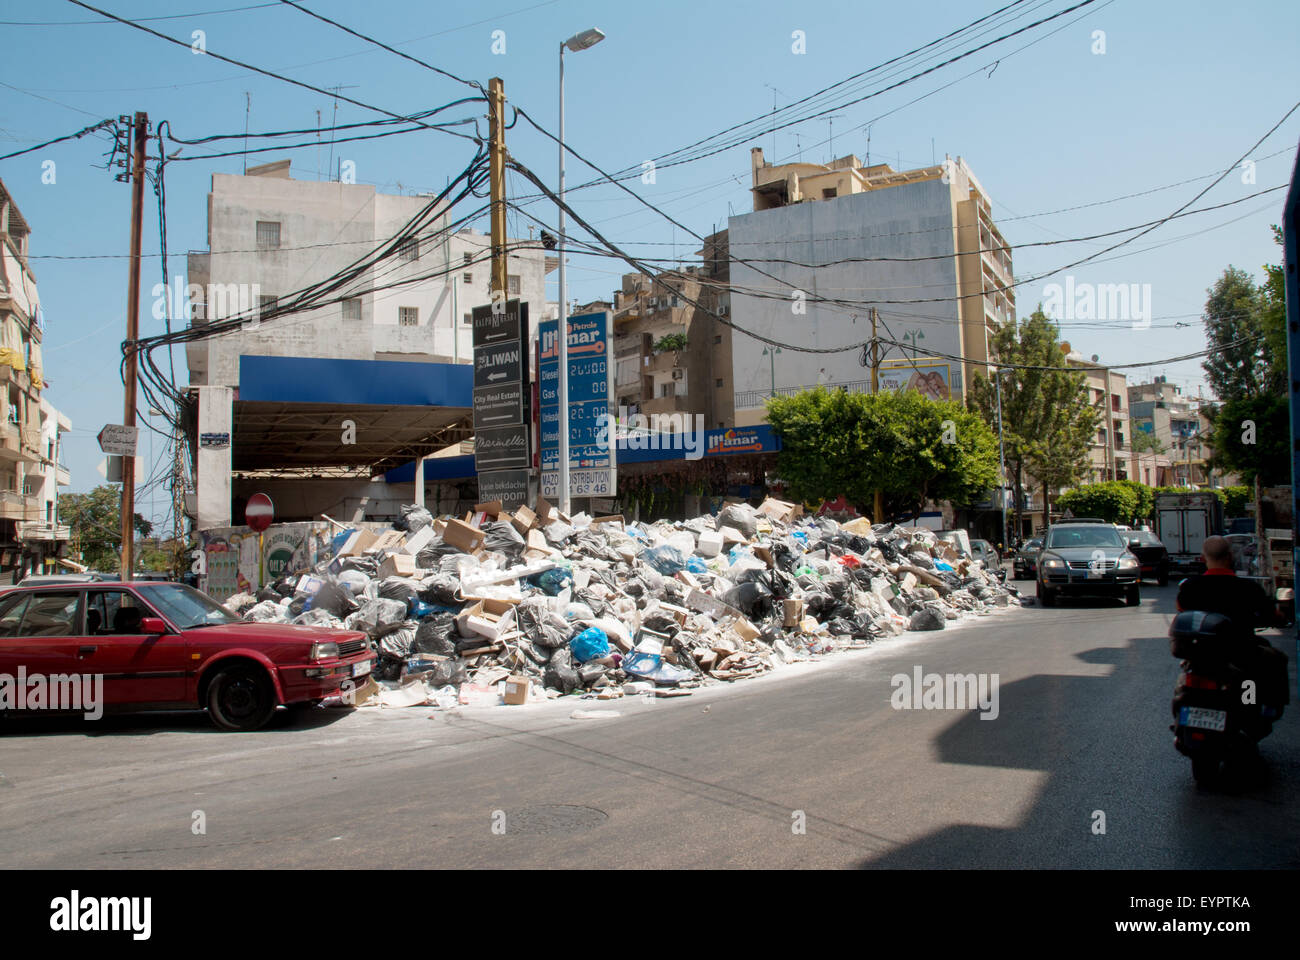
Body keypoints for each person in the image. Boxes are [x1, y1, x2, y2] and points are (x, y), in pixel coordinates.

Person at [1176, 535, 1289, 704]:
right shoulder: (1249, 589)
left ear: (1202, 558)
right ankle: (1256, 708)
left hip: (1202, 654)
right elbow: (1271, 615)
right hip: (1243, 653)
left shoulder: (1189, 587)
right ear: (1230, 556)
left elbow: (1181, 614)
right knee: (1276, 659)